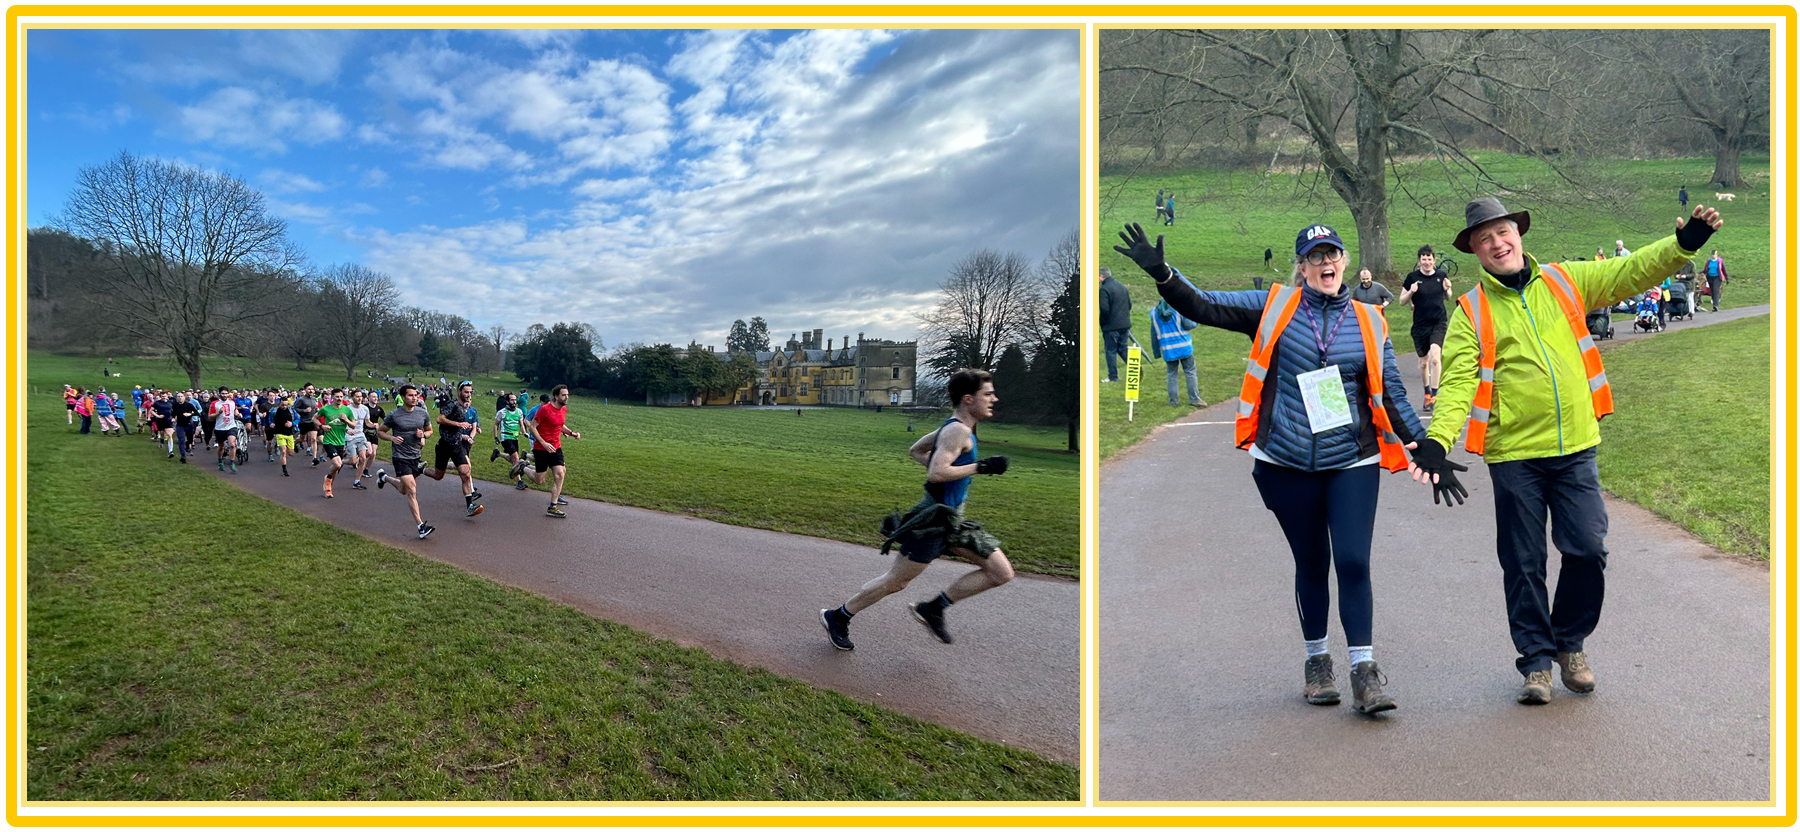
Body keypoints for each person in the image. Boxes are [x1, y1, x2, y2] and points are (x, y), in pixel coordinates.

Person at [1410, 197, 1723, 705]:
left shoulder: (1562, 280)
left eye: (1503, 232)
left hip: (1575, 445)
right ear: (1475, 251)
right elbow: (1460, 381)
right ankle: (1536, 662)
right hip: (1514, 454)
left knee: (1587, 549)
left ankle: (1569, 642)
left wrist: (1682, 245)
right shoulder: (1471, 310)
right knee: (1524, 562)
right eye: (1485, 239)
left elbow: (1629, 272)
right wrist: (1436, 439)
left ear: (1518, 234)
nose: (1497, 243)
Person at [1114, 220, 1428, 715]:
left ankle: (1365, 672)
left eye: (1333, 254)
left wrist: (1424, 445)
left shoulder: (1370, 321)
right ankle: (1317, 663)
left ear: (1344, 262)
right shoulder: (1274, 307)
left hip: (1352, 459)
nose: (1325, 263)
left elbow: (1392, 390)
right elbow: (1204, 305)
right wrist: (1164, 275)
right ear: (1301, 266)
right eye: (1315, 256)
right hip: (1286, 459)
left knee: (1352, 560)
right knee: (1312, 562)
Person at [820, 369, 1014, 650]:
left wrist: (955, 467)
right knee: (896, 582)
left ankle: (933, 608)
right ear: (968, 399)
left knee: (1001, 572)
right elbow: (937, 473)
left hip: (952, 521)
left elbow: (916, 450)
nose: (994, 399)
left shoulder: (956, 428)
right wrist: (981, 467)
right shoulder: (957, 431)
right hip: (932, 521)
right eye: (988, 394)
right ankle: (838, 616)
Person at [375, 384, 437, 539]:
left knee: (404, 489)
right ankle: (421, 527)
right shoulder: (394, 415)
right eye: (410, 395)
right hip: (400, 457)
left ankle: (384, 477)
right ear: (403, 397)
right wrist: (392, 438)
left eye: (416, 395)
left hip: (415, 456)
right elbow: (380, 432)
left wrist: (423, 435)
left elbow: (430, 430)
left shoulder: (422, 413)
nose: (414, 398)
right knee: (412, 490)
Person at [510, 384, 580, 518]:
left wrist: (571, 433)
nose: (566, 397)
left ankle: (553, 506)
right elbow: (532, 427)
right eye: (564, 395)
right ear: (556, 396)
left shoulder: (563, 409)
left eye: (567, 395)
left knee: (560, 473)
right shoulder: (545, 409)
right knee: (539, 480)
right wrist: (543, 442)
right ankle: (523, 466)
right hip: (541, 448)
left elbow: (560, 424)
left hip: (556, 447)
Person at [1399, 245, 1452, 414]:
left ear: (1434, 260)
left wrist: (1447, 289)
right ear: (1419, 261)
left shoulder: (1441, 276)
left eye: (1429, 259)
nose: (1427, 262)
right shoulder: (1412, 278)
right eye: (1424, 259)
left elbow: (1448, 297)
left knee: (1436, 358)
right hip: (1420, 325)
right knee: (1424, 363)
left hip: (1438, 322)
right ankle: (1427, 392)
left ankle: (1435, 395)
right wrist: (1411, 292)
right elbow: (1401, 301)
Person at [423, 381, 484, 517]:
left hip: (457, 445)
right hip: (444, 445)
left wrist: (471, 427)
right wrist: (458, 424)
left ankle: (469, 506)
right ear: (459, 392)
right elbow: (439, 419)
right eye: (466, 392)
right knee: (438, 476)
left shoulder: (465, 407)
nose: (468, 395)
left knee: (466, 473)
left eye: (470, 392)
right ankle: (420, 469)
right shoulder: (452, 404)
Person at [1148, 288, 1205, 408]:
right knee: (1190, 372)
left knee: (1172, 374)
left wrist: (1156, 352)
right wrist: (1197, 319)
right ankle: (1194, 399)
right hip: (1184, 347)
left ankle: (1173, 401)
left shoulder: (1153, 313)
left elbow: (1153, 334)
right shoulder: (1179, 309)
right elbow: (1189, 325)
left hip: (1168, 349)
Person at [315, 389, 357, 497]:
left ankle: (329, 488)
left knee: (337, 468)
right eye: (337, 396)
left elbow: (353, 425)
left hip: (340, 442)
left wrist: (346, 420)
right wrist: (322, 426)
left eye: (341, 397)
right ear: (332, 398)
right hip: (329, 441)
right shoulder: (325, 409)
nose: (339, 399)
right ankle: (328, 479)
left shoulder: (347, 410)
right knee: (338, 464)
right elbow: (314, 418)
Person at [1098, 267, 1133, 383]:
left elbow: (1104, 309)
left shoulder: (1104, 290)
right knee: (1123, 349)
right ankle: (1135, 369)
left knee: (1111, 351)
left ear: (1101, 276)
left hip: (1111, 326)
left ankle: (1113, 377)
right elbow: (1129, 305)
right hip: (1125, 324)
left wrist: (1103, 323)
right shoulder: (1122, 286)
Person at [492, 393, 530, 490]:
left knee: (512, 459)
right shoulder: (502, 412)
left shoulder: (519, 411)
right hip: (506, 437)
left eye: (515, 400)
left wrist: (524, 432)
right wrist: (496, 437)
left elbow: (521, 424)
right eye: (512, 400)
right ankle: (519, 481)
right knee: (516, 458)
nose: (514, 402)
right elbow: (496, 424)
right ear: (507, 401)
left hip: (515, 438)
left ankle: (498, 454)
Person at [209, 386, 239, 472]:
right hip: (220, 428)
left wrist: (238, 414)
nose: (224, 395)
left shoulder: (232, 402)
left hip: (231, 426)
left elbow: (235, 410)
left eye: (226, 393)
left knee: (232, 444)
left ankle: (232, 463)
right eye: (223, 393)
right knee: (221, 446)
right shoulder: (215, 403)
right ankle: (220, 461)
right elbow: (210, 416)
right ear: (219, 394)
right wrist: (218, 413)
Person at [270, 394, 298, 476]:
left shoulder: (291, 410)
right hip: (279, 433)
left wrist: (292, 423)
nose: (284, 407)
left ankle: (294, 445)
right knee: (283, 451)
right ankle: (284, 469)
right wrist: (271, 423)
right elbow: (270, 419)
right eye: (282, 405)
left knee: (291, 453)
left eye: (286, 405)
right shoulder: (274, 411)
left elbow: (297, 419)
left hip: (289, 433)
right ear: (280, 403)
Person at [361, 390, 386, 482]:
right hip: (365, 432)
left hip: (374, 433)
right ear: (369, 398)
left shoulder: (379, 409)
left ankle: (366, 470)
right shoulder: (364, 407)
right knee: (369, 452)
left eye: (376, 397)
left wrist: (381, 426)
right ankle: (360, 460)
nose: (376, 398)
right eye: (373, 397)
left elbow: (385, 419)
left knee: (373, 454)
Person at [294, 384, 320, 465]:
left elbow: (315, 408)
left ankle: (314, 458)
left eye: (312, 389)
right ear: (305, 390)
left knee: (314, 439)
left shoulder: (314, 399)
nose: (311, 391)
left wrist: (317, 410)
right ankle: (295, 443)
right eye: (309, 389)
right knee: (302, 439)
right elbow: (295, 408)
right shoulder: (301, 399)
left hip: (313, 421)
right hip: (304, 422)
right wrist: (304, 411)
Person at [172, 390, 199, 462]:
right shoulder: (175, 405)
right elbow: (173, 413)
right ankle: (183, 456)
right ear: (177, 398)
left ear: (184, 397)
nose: (180, 398)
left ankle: (188, 444)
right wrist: (173, 418)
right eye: (178, 397)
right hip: (180, 425)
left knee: (190, 440)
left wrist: (190, 414)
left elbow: (197, 413)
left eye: (181, 396)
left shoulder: (189, 405)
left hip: (189, 425)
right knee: (181, 440)